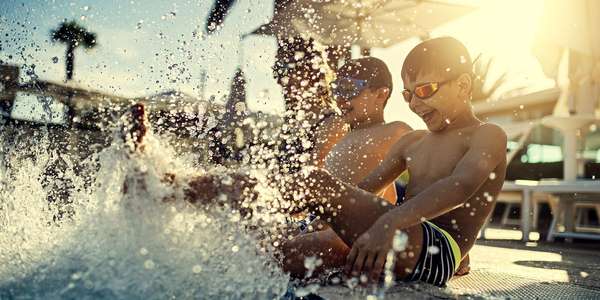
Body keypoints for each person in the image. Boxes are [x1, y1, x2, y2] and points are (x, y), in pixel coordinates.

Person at [281, 37, 507, 287]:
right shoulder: (413, 142)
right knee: (284, 249)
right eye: (408, 94)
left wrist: (389, 222)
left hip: (437, 251)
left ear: (463, 85)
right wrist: (315, 225)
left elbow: (460, 187)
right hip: (403, 237)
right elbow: (362, 191)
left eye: (424, 90)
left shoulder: (487, 134)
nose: (414, 103)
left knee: (318, 184)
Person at [280, 57, 412, 278]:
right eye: (336, 90)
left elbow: (428, 180)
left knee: (280, 255)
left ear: (381, 94)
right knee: (258, 237)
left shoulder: (395, 131)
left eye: (349, 89)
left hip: (353, 236)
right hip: (322, 225)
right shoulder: (342, 135)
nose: (340, 98)